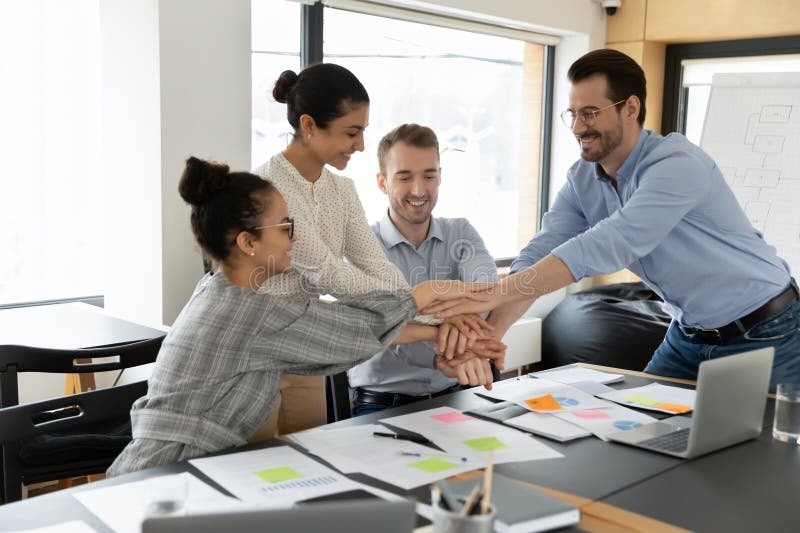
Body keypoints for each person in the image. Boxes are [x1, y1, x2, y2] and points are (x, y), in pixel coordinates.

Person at [425, 48, 799, 389]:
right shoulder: (582, 179)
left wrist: (492, 292)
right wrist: (489, 340)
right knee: (643, 433)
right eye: (572, 114)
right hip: (690, 335)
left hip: (768, 329)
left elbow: (610, 242)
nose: (577, 127)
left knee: (772, 455)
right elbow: (539, 254)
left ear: (630, 108)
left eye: (590, 113)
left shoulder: (677, 165)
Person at [107, 157, 490, 476]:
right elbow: (356, 329)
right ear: (248, 242)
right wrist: (428, 292)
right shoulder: (252, 313)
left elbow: (340, 329)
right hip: (163, 479)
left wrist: (437, 333)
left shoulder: (224, 293)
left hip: (180, 470)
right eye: (286, 227)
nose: (295, 238)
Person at [251, 64, 496, 437]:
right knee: (250, 472)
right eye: (352, 132)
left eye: (363, 131)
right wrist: (438, 313)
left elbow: (378, 270)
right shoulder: (269, 187)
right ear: (310, 125)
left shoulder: (342, 191)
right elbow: (329, 274)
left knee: (304, 467)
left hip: (304, 353)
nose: (360, 145)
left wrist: (436, 315)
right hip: (254, 352)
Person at [348, 124, 505, 416]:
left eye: (429, 176)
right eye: (404, 177)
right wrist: (453, 337)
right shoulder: (363, 245)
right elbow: (382, 324)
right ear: (382, 182)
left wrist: (427, 318)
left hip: (456, 396)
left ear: (440, 177)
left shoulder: (461, 232)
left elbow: (486, 293)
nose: (419, 190)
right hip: (382, 403)